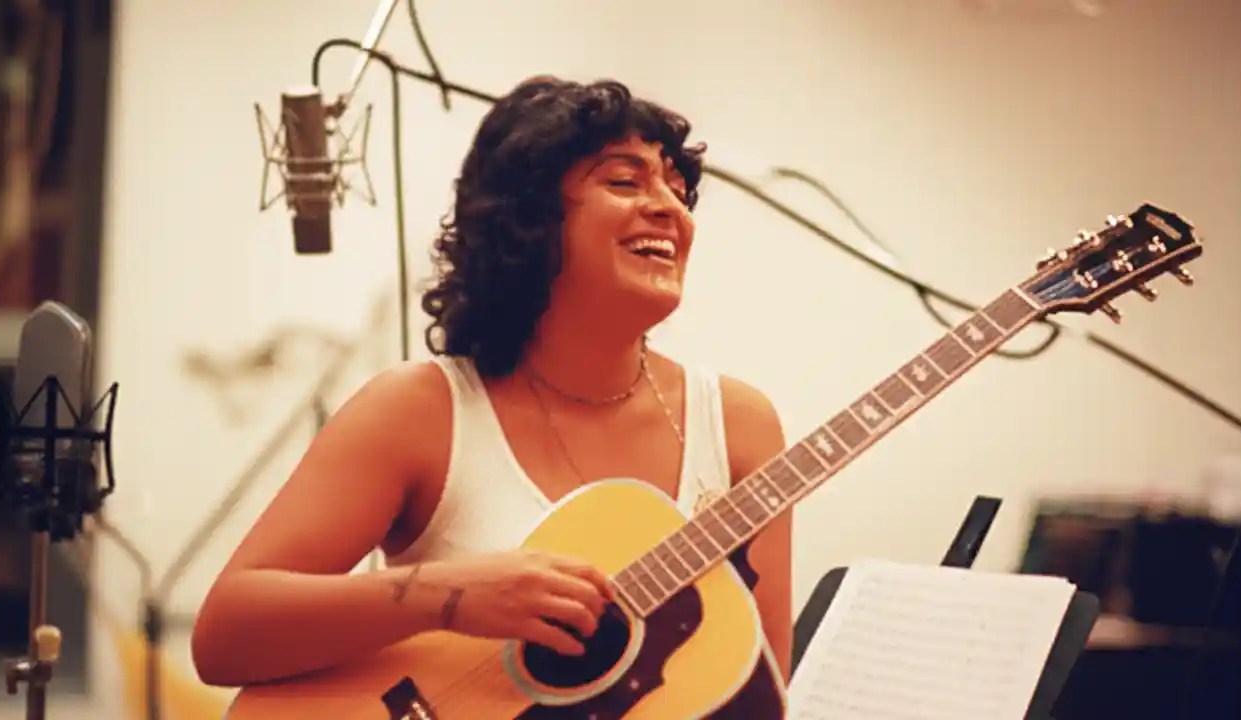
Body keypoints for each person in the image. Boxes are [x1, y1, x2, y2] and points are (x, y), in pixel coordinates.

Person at [191, 76, 791, 691]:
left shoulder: (739, 427)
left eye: (678, 188)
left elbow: (764, 693)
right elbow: (224, 636)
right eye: (623, 181)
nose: (669, 207)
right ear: (528, 220)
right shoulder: (421, 411)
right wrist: (449, 594)